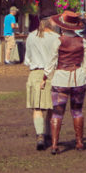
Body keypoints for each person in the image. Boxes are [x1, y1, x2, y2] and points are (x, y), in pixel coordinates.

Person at [43, 11, 86, 154]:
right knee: (77, 111)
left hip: (60, 79)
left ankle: (54, 145)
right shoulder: (83, 42)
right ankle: (79, 142)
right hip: (78, 78)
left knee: (57, 113)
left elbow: (51, 62)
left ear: (62, 26)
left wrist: (49, 76)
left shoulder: (57, 41)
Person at [25, 13, 60, 151]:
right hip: (53, 73)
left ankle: (40, 135)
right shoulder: (57, 38)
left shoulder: (31, 36)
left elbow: (27, 59)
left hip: (35, 73)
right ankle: (49, 135)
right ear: (50, 22)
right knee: (52, 107)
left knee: (37, 108)